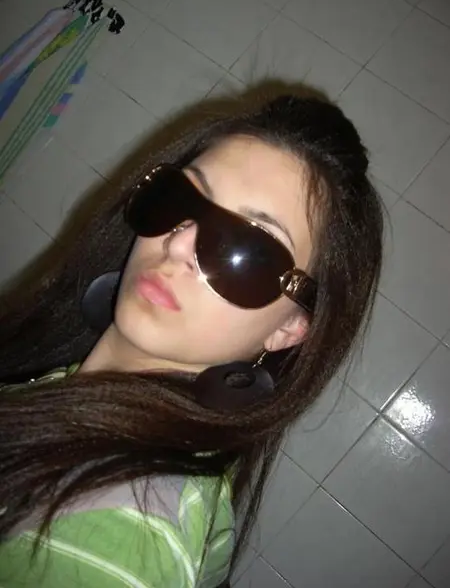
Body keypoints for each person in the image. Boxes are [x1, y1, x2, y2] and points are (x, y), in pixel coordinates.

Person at [0, 93, 383, 587]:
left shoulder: (114, 531)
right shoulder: (81, 387)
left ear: (287, 328)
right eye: (182, 201)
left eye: (249, 250)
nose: (178, 242)